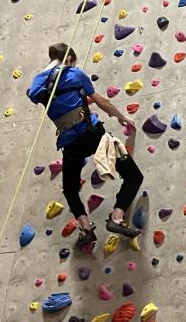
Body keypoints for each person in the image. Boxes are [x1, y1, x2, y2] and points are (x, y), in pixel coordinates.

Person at [27, 43, 143, 247]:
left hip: (71, 144)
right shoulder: (74, 74)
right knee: (133, 176)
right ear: (69, 59)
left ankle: (86, 229)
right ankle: (116, 218)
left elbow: (35, 95)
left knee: (70, 189)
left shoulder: (38, 83)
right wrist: (122, 117)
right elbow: (102, 102)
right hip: (93, 134)